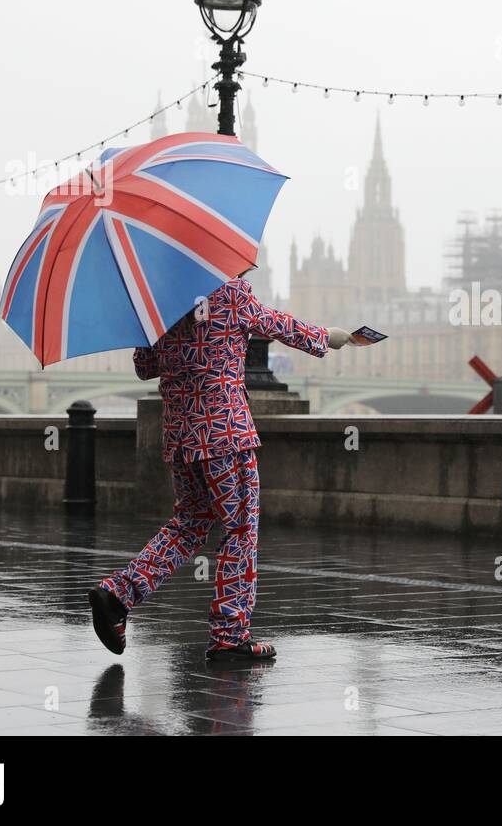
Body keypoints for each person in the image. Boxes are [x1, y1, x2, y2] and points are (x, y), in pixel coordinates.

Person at [88, 275, 352, 662]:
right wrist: (327, 336)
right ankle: (230, 635)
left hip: (180, 434)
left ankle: (118, 595)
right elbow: (276, 324)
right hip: (225, 433)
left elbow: (144, 367)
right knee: (240, 531)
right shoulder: (231, 293)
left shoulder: (160, 300)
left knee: (189, 523)